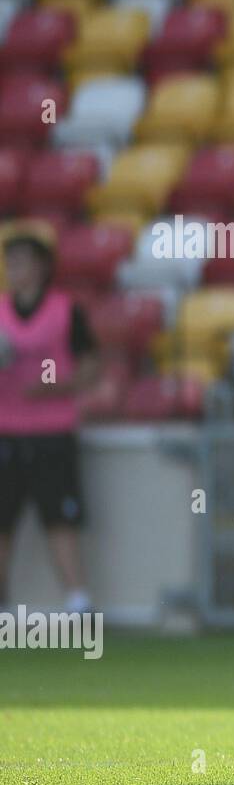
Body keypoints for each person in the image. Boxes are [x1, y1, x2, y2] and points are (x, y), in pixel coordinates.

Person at [0, 227, 101, 614]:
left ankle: (78, 600)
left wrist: (55, 386)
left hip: (51, 431)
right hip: (6, 431)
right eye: (10, 262)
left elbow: (90, 365)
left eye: (22, 261)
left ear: (42, 267)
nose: (14, 270)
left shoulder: (64, 310)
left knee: (60, 518)